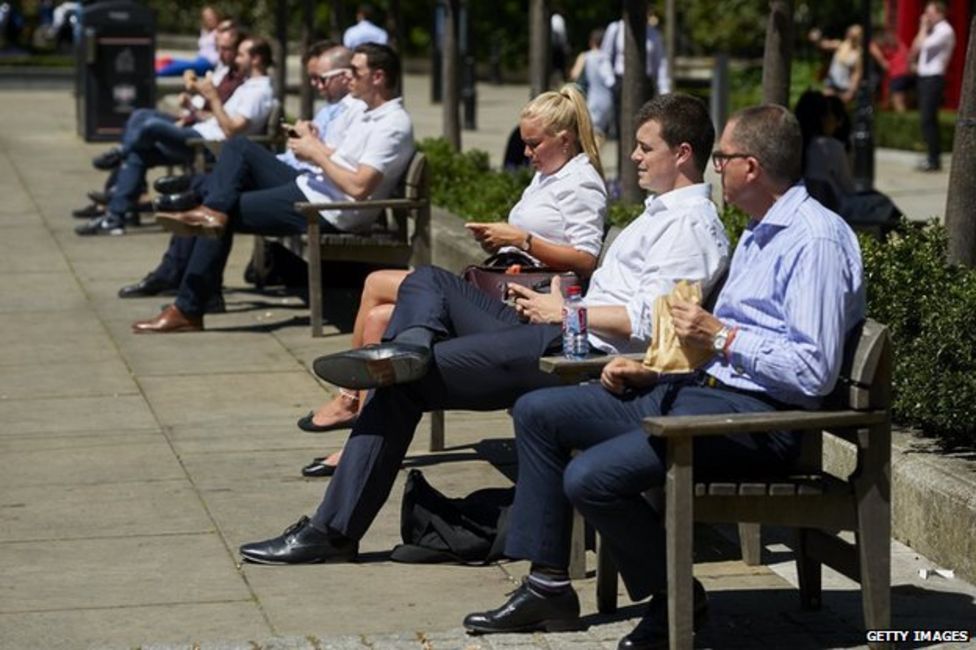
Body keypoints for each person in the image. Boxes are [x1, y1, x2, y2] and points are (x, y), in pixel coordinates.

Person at [235, 92, 730, 566]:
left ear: (682, 153)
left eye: (646, 148)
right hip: (560, 328)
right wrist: (562, 298)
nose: (636, 158)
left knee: (399, 385)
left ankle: (333, 531)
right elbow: (621, 296)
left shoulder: (689, 227)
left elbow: (658, 322)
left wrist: (567, 313)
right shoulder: (662, 214)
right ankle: (408, 349)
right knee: (427, 283)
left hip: (576, 356)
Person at [461, 104, 866, 648]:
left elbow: (812, 372)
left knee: (591, 479)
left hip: (758, 421)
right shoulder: (757, 232)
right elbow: (712, 343)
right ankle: (548, 585)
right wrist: (651, 369)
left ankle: (676, 599)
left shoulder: (813, 240)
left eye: (721, 158)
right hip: (703, 393)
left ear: (752, 166)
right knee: (539, 412)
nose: (715, 168)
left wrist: (719, 334)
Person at [298, 85, 607, 478]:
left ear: (564, 139)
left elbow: (585, 258)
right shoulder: (551, 173)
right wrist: (509, 245)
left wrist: (521, 240)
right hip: (508, 287)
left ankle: (350, 403)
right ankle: (358, 435)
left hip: (528, 309)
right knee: (378, 320)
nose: (526, 153)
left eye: (533, 144)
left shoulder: (580, 182)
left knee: (381, 284)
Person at [132, 43, 412, 333]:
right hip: (314, 188)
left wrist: (314, 152)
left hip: (329, 211)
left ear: (377, 77)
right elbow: (345, 162)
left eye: (355, 70)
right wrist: (314, 144)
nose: (349, 76)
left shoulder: (392, 125)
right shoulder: (369, 113)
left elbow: (358, 187)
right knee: (238, 148)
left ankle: (189, 306)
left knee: (223, 208)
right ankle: (207, 216)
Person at [116, 42, 360, 303]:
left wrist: (311, 146)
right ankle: (183, 277)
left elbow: (233, 131)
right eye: (313, 78)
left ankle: (182, 277)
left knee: (226, 164)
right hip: (292, 169)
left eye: (321, 79)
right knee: (208, 192)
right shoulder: (332, 108)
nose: (316, 85)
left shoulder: (357, 112)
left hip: (305, 182)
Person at [76, 35, 275, 237]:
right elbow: (219, 119)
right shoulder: (249, 86)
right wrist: (195, 109)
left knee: (150, 126)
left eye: (241, 54)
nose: (237, 59)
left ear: (257, 59)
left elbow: (231, 130)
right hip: (201, 132)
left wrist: (213, 98)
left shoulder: (259, 92)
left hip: (206, 146)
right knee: (138, 152)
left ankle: (119, 153)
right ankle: (114, 218)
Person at [601, 8, 671, 138]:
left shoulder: (654, 34)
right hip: (621, 81)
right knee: (622, 126)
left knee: (644, 125)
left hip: (645, 82)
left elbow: (660, 64)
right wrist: (612, 82)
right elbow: (605, 57)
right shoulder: (615, 29)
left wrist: (664, 91)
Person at [910, 1, 955, 172]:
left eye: (930, 13)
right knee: (926, 120)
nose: (926, 17)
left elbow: (922, 45)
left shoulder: (945, 30)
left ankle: (934, 159)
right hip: (924, 78)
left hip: (933, 79)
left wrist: (922, 26)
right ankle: (931, 157)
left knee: (928, 120)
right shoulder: (932, 31)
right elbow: (915, 48)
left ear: (940, 13)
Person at [570, 28, 615, 142]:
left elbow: (574, 75)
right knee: (600, 131)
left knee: (591, 132)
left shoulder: (585, 56)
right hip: (608, 99)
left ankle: (593, 156)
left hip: (592, 98)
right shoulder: (609, 58)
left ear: (591, 42)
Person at [156, 6, 221, 77]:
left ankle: (157, 73)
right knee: (173, 61)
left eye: (211, 15)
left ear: (216, 16)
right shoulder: (205, 31)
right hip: (200, 60)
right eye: (206, 16)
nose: (209, 18)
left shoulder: (219, 32)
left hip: (209, 64)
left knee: (182, 67)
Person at [810, 24, 864, 104]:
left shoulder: (857, 53)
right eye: (851, 33)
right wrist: (817, 39)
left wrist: (851, 91)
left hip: (844, 89)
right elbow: (823, 45)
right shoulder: (839, 45)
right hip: (831, 85)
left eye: (854, 34)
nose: (851, 36)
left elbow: (856, 74)